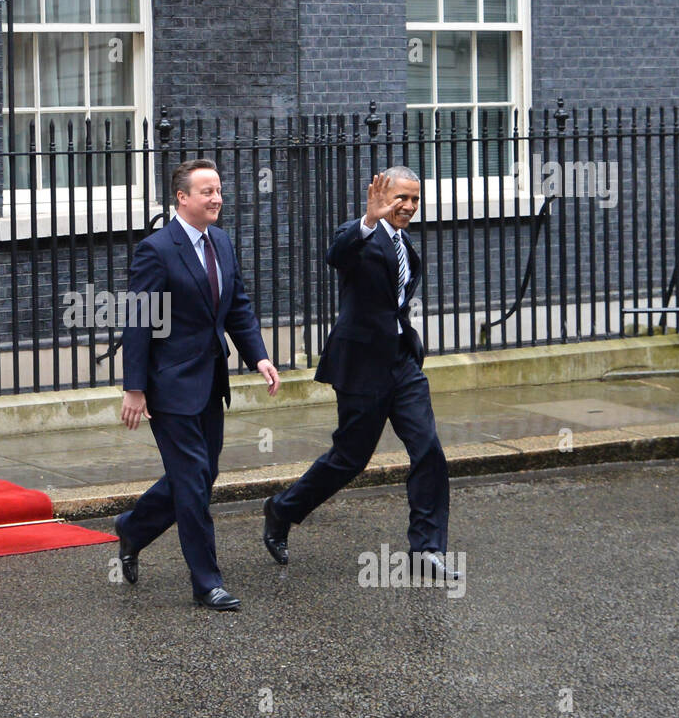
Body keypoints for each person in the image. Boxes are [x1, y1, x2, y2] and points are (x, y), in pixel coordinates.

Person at [261, 166, 461, 581]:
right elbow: (338, 254)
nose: (407, 206)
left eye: (413, 200)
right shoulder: (362, 236)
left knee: (428, 449)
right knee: (350, 459)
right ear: (381, 195)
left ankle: (426, 549)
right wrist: (369, 219)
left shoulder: (406, 242)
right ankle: (282, 509)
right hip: (362, 367)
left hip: (401, 363)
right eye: (399, 198)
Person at [115, 157, 280, 610]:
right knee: (191, 483)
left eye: (219, 190)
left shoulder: (221, 243)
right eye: (206, 191)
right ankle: (207, 582)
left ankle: (133, 528)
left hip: (210, 381)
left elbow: (238, 306)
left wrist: (259, 356)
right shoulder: (157, 249)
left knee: (203, 476)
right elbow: (138, 320)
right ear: (182, 197)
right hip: (169, 387)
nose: (217, 198)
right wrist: (135, 387)